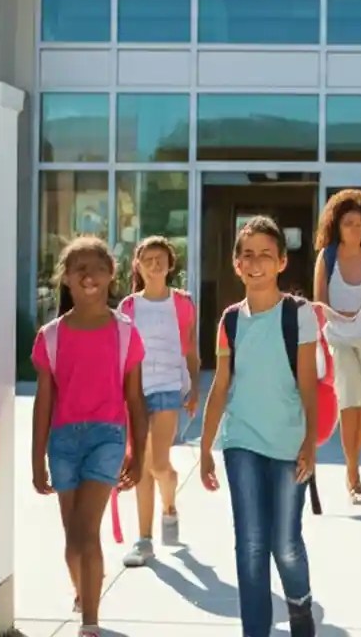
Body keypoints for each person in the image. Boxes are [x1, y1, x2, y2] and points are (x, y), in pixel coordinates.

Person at [200, 215, 319, 637]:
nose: (256, 263)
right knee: (250, 544)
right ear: (236, 263)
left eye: (266, 255)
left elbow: (309, 384)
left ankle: (301, 609)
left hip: (289, 442)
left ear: (282, 262)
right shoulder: (230, 321)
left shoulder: (299, 315)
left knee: (284, 544)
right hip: (242, 441)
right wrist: (205, 449)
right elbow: (219, 386)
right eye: (247, 255)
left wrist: (311, 441)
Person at [31, 236, 148, 637]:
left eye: (96, 266)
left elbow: (135, 399)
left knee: (85, 531)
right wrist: (36, 461)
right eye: (78, 267)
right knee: (72, 541)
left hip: (107, 438)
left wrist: (139, 454)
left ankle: (90, 623)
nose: (88, 274)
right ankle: (83, 592)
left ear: (112, 275)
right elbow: (43, 403)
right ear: (65, 278)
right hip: (63, 443)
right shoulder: (50, 336)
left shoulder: (125, 333)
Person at [119, 236, 200, 567]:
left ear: (170, 264)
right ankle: (144, 539)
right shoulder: (128, 307)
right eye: (147, 258)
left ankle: (169, 503)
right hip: (135, 392)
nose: (154, 263)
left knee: (156, 463)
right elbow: (120, 355)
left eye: (160, 258)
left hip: (168, 386)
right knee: (142, 466)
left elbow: (190, 349)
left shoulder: (181, 303)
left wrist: (193, 389)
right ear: (137, 264)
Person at [312, 189, 361, 504]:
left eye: (359, 223)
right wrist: (337, 315)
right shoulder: (327, 256)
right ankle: (352, 473)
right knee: (349, 401)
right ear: (337, 226)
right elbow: (319, 300)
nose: (355, 229)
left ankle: (354, 469)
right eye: (348, 223)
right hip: (339, 337)